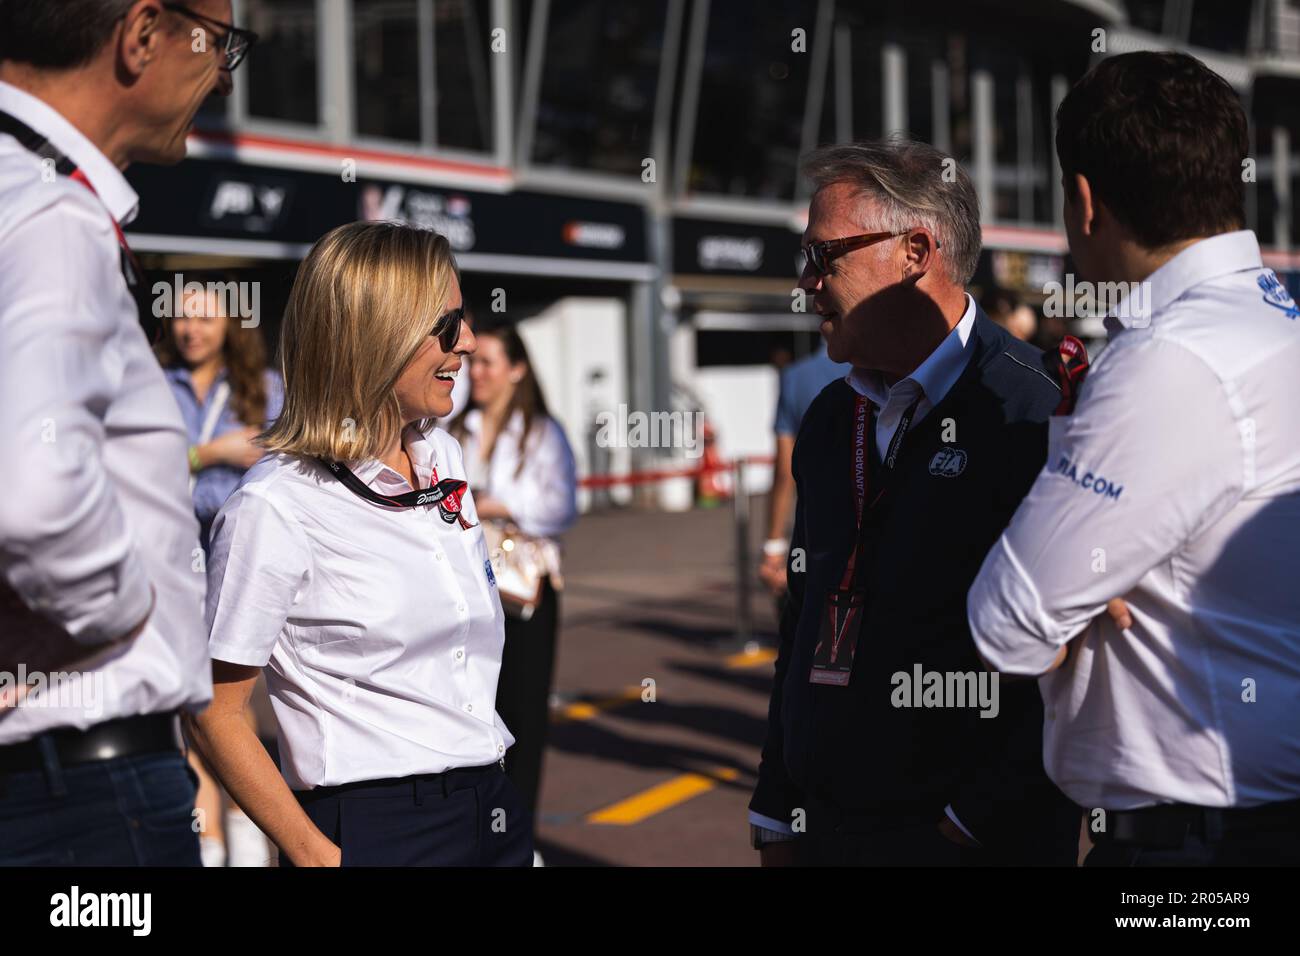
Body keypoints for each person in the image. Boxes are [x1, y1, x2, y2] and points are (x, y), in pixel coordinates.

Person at [968, 51, 1300, 866]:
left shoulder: (1173, 360)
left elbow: (1006, 625)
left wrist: (1091, 587)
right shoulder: (1275, 326)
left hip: (1196, 836)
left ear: (1084, 201)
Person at [748, 139, 1080, 866]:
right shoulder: (834, 417)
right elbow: (805, 615)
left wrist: (971, 822)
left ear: (915, 251)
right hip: (830, 830)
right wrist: (776, 802)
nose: (806, 282)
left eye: (823, 256)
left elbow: (1073, 653)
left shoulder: (1034, 410)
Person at [189, 221, 531, 867]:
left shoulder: (444, 458)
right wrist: (315, 855)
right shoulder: (275, 506)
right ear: (375, 335)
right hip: (377, 828)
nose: (469, 340)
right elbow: (213, 707)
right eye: (446, 322)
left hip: (490, 804)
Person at [0, 0, 252, 865]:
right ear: (142, 34)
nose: (220, 73)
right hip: (82, 787)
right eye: (218, 43)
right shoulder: (52, 220)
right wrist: (129, 611)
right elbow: (32, 500)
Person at [156, 282, 283, 867]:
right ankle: (210, 850)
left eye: (204, 319)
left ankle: (249, 842)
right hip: (170, 570)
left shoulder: (267, 390)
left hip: (238, 568)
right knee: (185, 715)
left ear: (232, 324)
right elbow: (136, 466)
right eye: (182, 318)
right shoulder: (152, 388)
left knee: (231, 710)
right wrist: (211, 453)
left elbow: (295, 469)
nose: (191, 330)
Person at [448, 324, 578, 862]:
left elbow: (560, 507)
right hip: (466, 588)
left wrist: (492, 502)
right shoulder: (455, 429)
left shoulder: (543, 433)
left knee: (522, 716)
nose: (476, 373)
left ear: (518, 369)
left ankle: (517, 842)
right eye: (473, 363)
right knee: (473, 711)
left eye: (489, 363)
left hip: (524, 594)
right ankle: (478, 833)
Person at [758, 338, 850, 600]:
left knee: (808, 625)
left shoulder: (795, 377)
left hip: (816, 531)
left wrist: (773, 546)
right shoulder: (886, 372)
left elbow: (784, 473)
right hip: (876, 532)